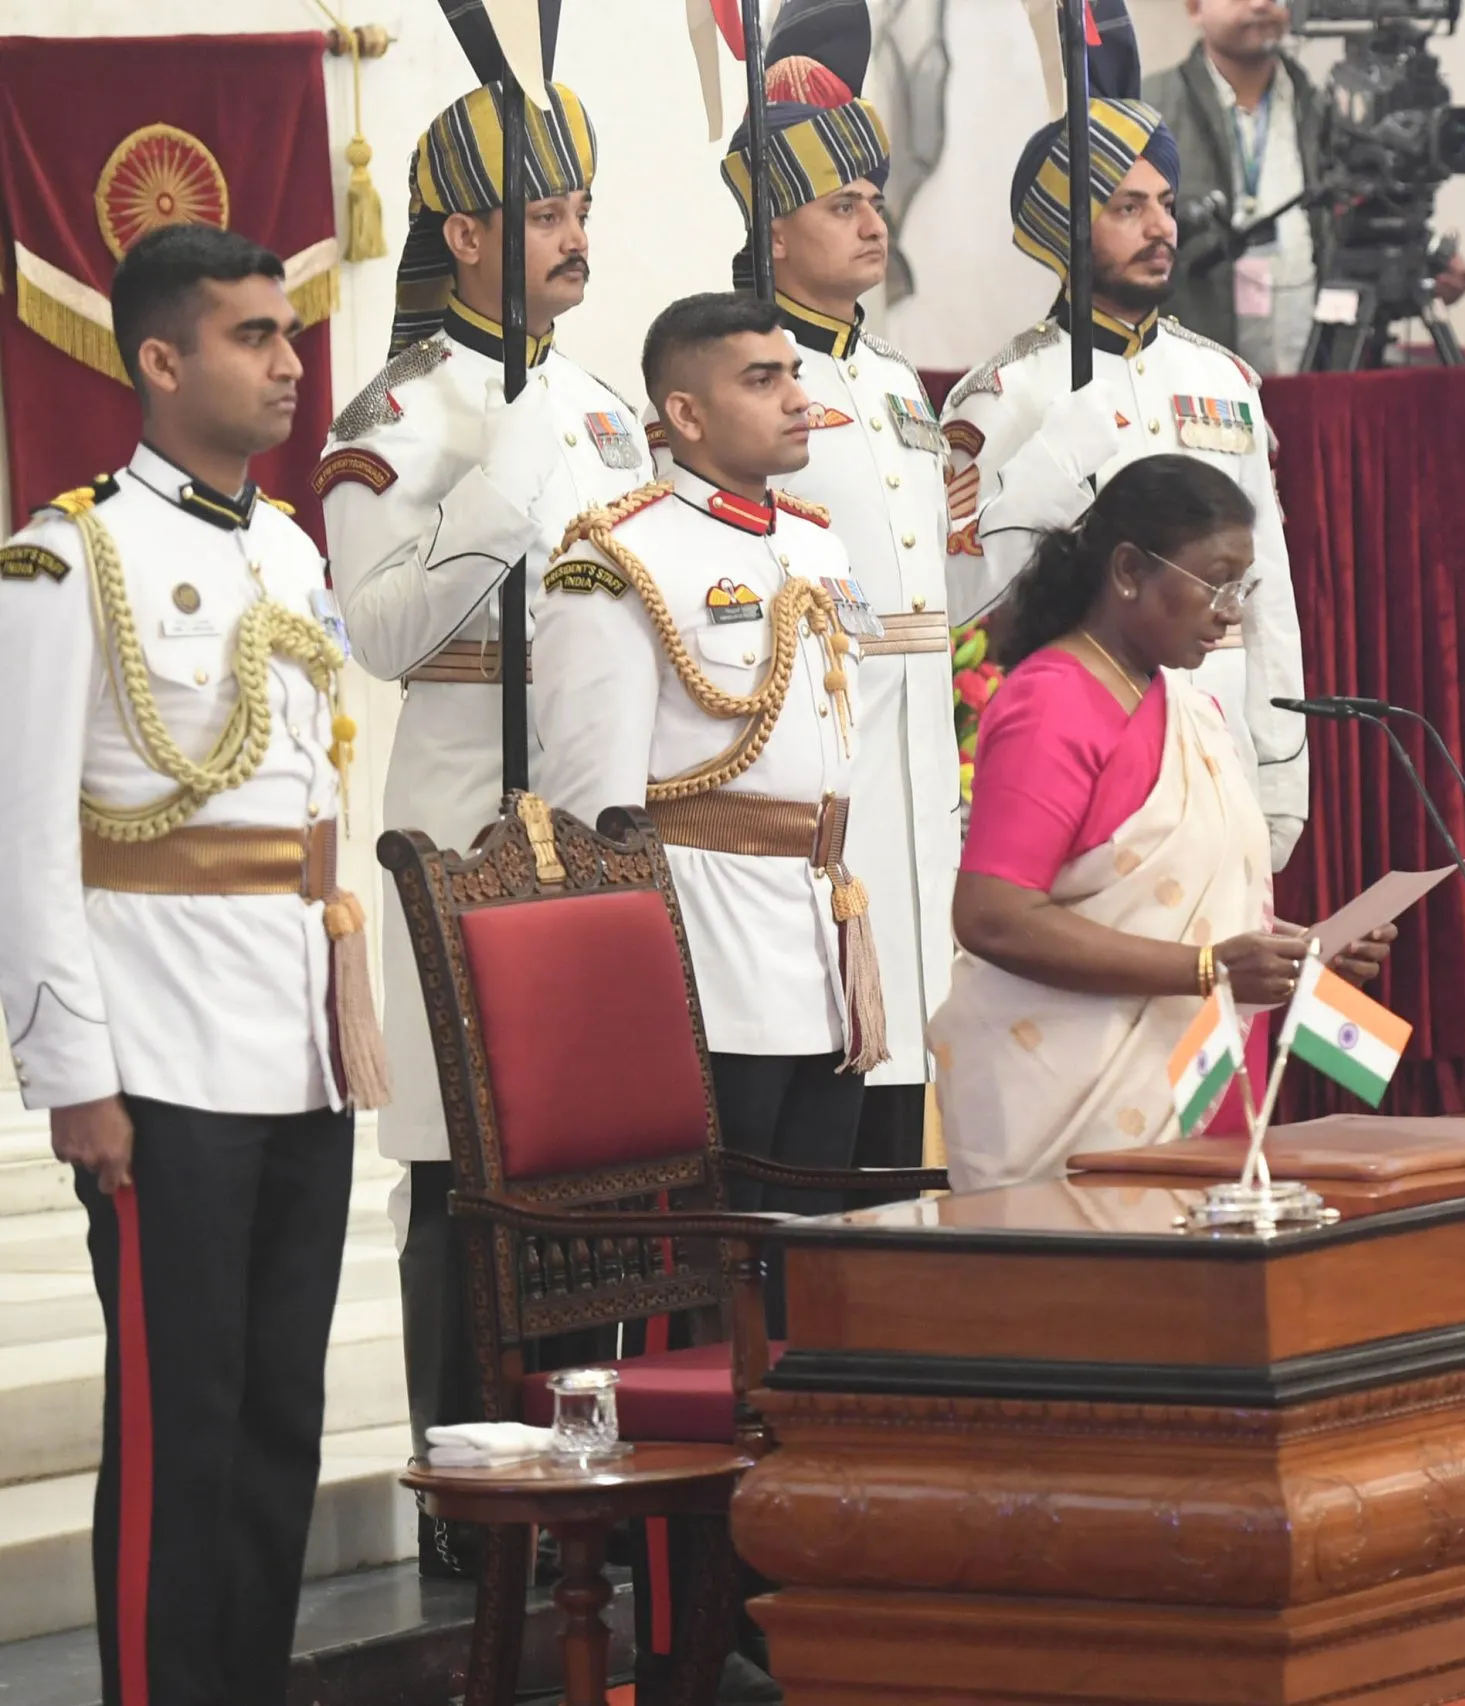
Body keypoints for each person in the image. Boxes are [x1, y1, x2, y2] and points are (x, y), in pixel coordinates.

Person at [0, 224, 385, 1706]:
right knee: (181, 1421)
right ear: (160, 361)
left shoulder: (286, 543)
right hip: (156, 1054)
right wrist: (72, 1074)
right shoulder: (66, 552)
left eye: (290, 333)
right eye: (252, 336)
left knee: (281, 1409)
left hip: (291, 1037)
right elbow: (28, 836)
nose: (291, 362)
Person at [315, 70, 647, 1571]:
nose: (578, 237)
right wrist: (504, 483)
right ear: (463, 231)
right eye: (545, 212)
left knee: (607, 1170)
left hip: (598, 835)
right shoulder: (396, 411)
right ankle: (474, 1509)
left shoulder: (604, 403)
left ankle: (603, 1481)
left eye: (581, 209)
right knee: (470, 1173)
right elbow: (376, 636)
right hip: (458, 826)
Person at [536, 292, 881, 1293]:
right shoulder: (618, 556)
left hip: (825, 937)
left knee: (815, 1264)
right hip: (708, 952)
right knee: (716, 1269)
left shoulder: (815, 544)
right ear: (684, 415)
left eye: (795, 374)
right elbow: (590, 811)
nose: (795, 399)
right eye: (761, 379)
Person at [933, 455, 1390, 1190]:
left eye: (1245, 587)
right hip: (1070, 1121)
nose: (1232, 610)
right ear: (1126, 571)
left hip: (1195, 1096)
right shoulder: (1052, 705)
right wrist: (1209, 969)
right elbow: (993, 917)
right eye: (1217, 581)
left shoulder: (1189, 709)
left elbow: (1187, 909)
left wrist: (1298, 955)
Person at [943, 88, 1310, 873]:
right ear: (1064, 228)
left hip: (1221, 735)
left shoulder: (1223, 380)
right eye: (1127, 207)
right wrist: (1047, 468)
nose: (1161, 229)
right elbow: (962, 598)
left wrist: (1282, 766)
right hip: (1082, 748)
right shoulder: (1005, 395)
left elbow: (1268, 586)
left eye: (1167, 204)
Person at [717, 58, 957, 1180]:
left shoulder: (897, 381)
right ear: (771, 235)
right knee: (828, 1094)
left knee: (914, 1065)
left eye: (875, 197)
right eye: (840, 204)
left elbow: (933, 592)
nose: (873, 220)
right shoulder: (746, 380)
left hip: (916, 759)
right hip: (817, 755)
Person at [1142, 0, 1465, 377]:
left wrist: (1426, 265)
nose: (1261, 3)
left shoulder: (1325, 110)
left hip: (1310, 371)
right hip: (1195, 380)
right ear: (1194, 7)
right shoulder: (1152, 110)